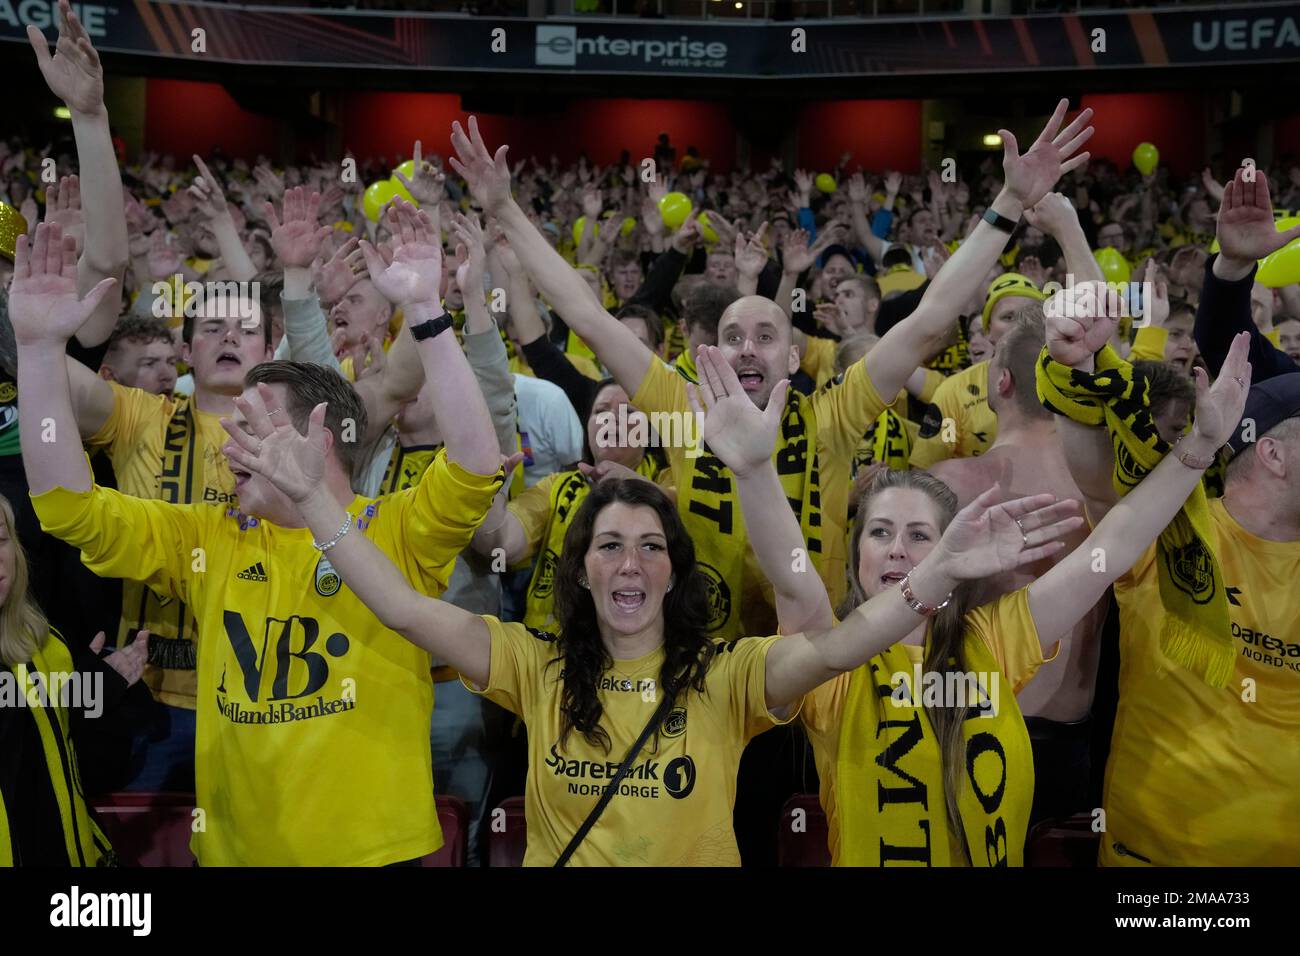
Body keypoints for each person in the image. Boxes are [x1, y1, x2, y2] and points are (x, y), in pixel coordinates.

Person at [219, 344, 1079, 866]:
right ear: (582, 572)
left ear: (674, 573)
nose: (629, 562)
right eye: (607, 546)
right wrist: (318, 503)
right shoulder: (532, 663)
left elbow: (838, 645)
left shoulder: (729, 677)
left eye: (650, 546)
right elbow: (405, 612)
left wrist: (930, 579)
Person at [448, 101, 1096, 640]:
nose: (748, 348)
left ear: (792, 356)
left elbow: (928, 321)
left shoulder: (835, 414)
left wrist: (1007, 203)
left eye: (765, 335)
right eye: (732, 337)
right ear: (711, 355)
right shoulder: (679, 409)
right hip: (699, 666)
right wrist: (504, 210)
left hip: (812, 666)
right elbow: (587, 317)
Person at [12, 219, 503, 866]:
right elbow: (63, 507)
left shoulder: (395, 529)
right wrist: (42, 350)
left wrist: (425, 310)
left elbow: (474, 466)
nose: (229, 445)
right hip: (233, 855)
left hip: (375, 854)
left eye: (251, 426)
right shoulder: (207, 538)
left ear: (318, 439)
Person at [713, 308, 1252, 863]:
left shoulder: (992, 640)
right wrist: (755, 471)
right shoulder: (831, 667)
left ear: (952, 546)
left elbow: (1108, 550)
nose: (898, 548)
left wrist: (1197, 451)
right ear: (856, 555)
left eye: (920, 534)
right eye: (880, 532)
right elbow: (792, 574)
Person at [1058, 174, 1300, 865]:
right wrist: (1080, 345)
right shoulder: (1168, 527)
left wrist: (1232, 271)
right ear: (1274, 455)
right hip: (1156, 868)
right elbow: (1095, 451)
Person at [927, 310, 1107, 825]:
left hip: (970, 727)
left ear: (1001, 382)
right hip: (1072, 734)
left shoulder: (952, 481)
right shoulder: (1107, 489)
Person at [0, 493, 151, 866]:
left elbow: (80, 766)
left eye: (1, 540)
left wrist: (108, 690)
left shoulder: (45, 642)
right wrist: (91, 690)